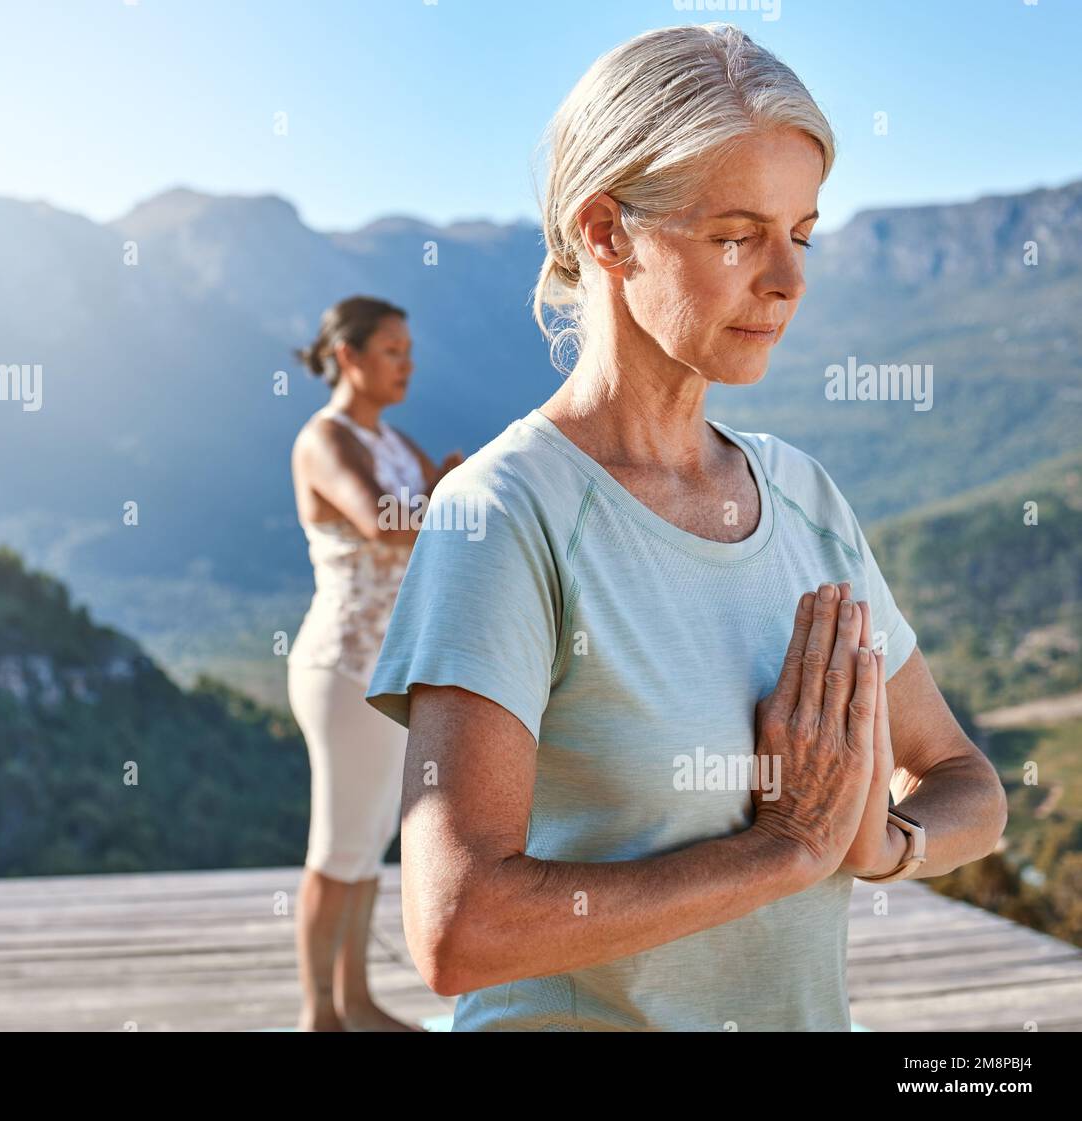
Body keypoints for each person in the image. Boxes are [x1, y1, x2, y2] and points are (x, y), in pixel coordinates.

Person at [363, 24, 1007, 1031]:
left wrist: (880, 841)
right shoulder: (505, 512)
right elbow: (456, 926)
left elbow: (967, 782)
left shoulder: (805, 498)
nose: (789, 282)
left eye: (802, 233)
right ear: (607, 232)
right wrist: (778, 848)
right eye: (736, 235)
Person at [286, 295, 463, 1031]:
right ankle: (317, 1015)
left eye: (409, 351)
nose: (407, 365)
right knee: (336, 845)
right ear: (349, 356)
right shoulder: (325, 439)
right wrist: (446, 492)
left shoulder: (388, 437)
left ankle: (354, 1001)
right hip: (344, 666)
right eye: (392, 350)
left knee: (365, 845)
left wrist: (447, 491)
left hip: (390, 668)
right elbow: (385, 523)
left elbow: (438, 503)